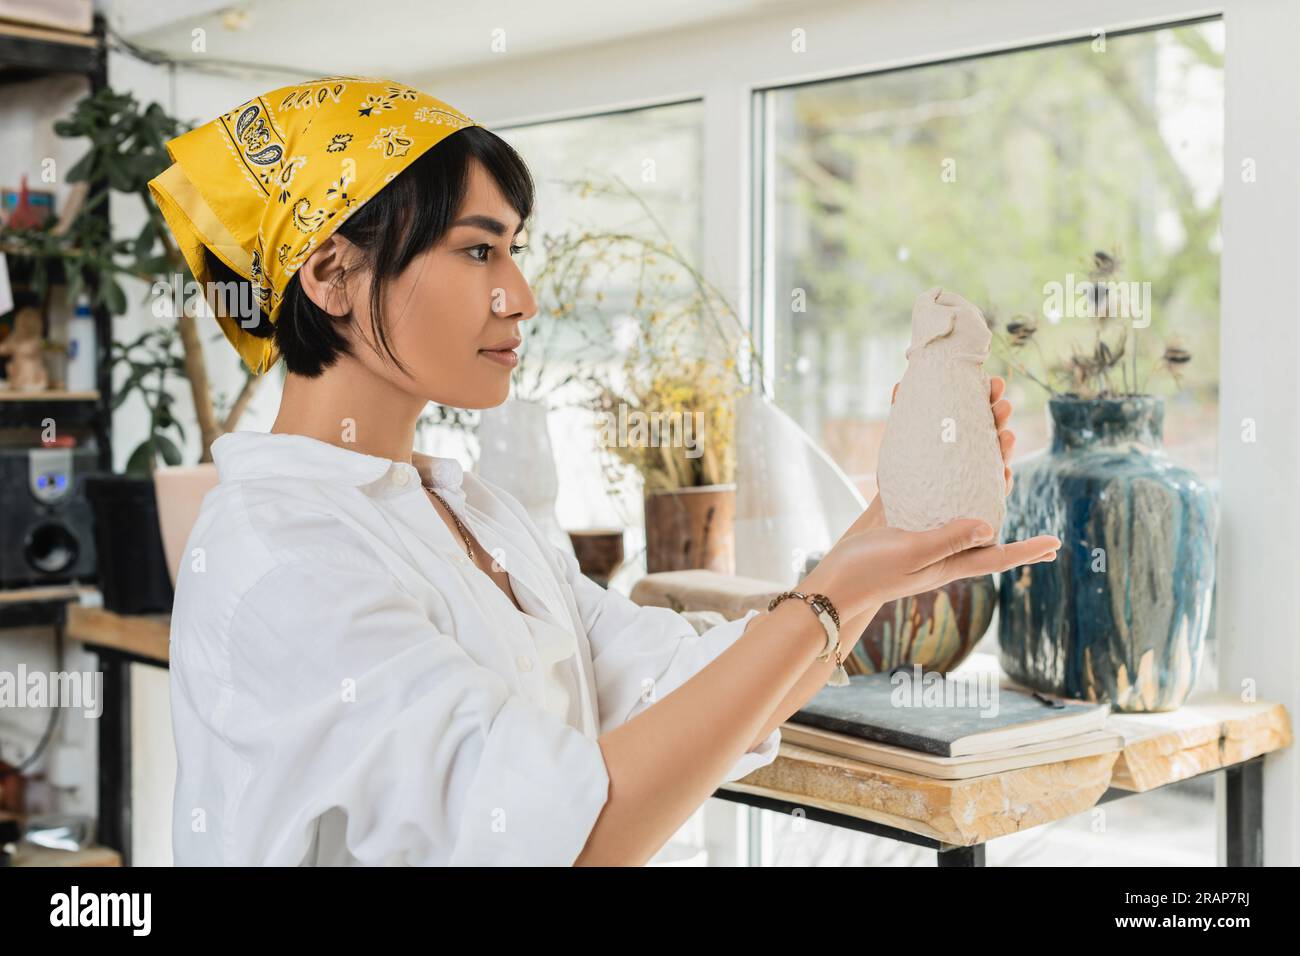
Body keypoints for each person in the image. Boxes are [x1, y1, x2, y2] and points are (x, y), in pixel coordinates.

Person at [148, 77, 1060, 866]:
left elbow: (691, 684)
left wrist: (888, 531)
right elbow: (565, 835)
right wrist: (829, 597)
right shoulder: (283, 555)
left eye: (516, 250)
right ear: (332, 274)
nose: (521, 296)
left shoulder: (470, 511)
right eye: (478, 250)